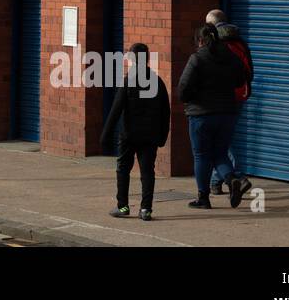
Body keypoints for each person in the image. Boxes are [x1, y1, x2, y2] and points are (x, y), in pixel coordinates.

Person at [178, 23, 247, 210]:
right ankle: (232, 179)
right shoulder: (231, 57)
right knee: (220, 153)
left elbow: (183, 89)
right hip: (227, 113)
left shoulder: (197, 59)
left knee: (201, 156)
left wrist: (191, 99)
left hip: (202, 115)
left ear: (200, 40)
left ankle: (203, 198)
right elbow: (242, 79)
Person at [100, 43, 171, 221]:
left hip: (129, 135)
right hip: (150, 136)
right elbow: (166, 112)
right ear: (147, 59)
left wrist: (104, 136)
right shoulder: (157, 81)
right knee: (147, 171)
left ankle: (122, 207)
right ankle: (146, 209)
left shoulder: (128, 81)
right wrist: (162, 136)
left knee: (123, 169)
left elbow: (116, 110)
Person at [206, 9, 254, 197]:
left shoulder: (216, 44)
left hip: (220, 99)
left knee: (222, 141)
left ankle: (239, 178)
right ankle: (216, 182)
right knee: (224, 139)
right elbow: (250, 72)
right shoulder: (240, 41)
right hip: (239, 96)